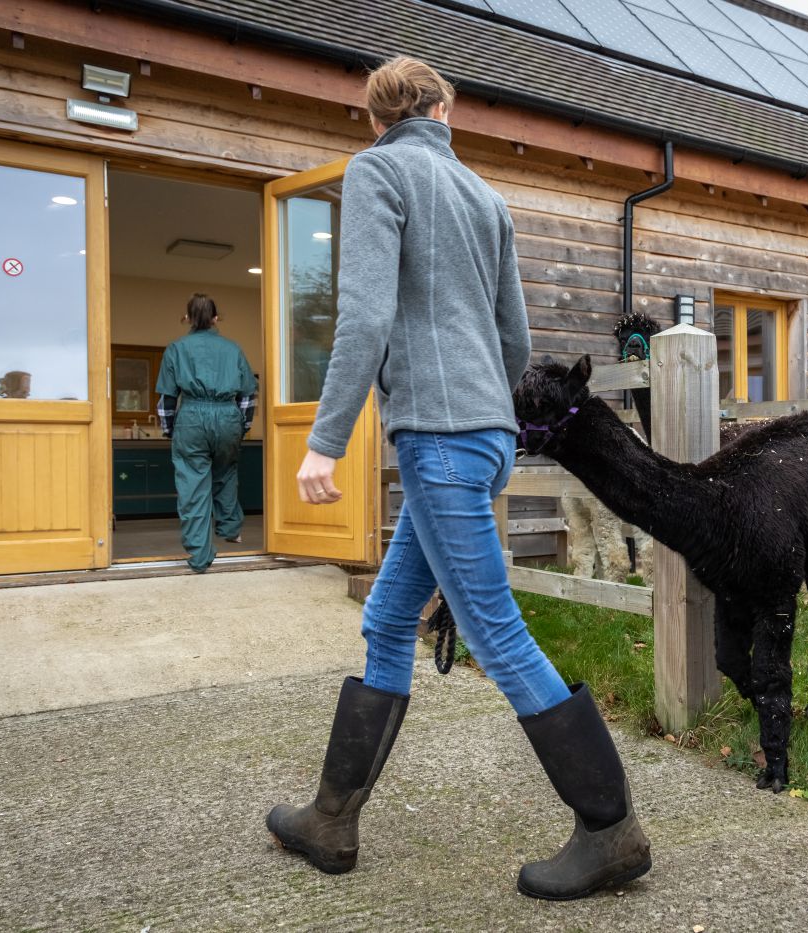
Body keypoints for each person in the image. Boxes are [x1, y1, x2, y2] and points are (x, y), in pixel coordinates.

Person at [264, 55, 652, 900]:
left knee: (494, 630)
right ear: (445, 112)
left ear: (376, 120)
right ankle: (332, 817)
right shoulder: (485, 196)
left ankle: (610, 827)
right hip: (482, 435)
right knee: (390, 612)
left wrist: (324, 440)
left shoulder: (376, 170)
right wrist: (488, 408)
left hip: (436, 438)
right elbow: (515, 340)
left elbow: (364, 314)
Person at [155, 293, 258, 573]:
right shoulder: (233, 349)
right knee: (226, 472)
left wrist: (169, 430)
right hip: (227, 416)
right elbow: (248, 395)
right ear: (215, 318)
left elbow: (166, 399)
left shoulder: (176, 349)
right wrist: (242, 426)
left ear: (187, 318)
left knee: (193, 485)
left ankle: (200, 556)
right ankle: (231, 528)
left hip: (191, 417)